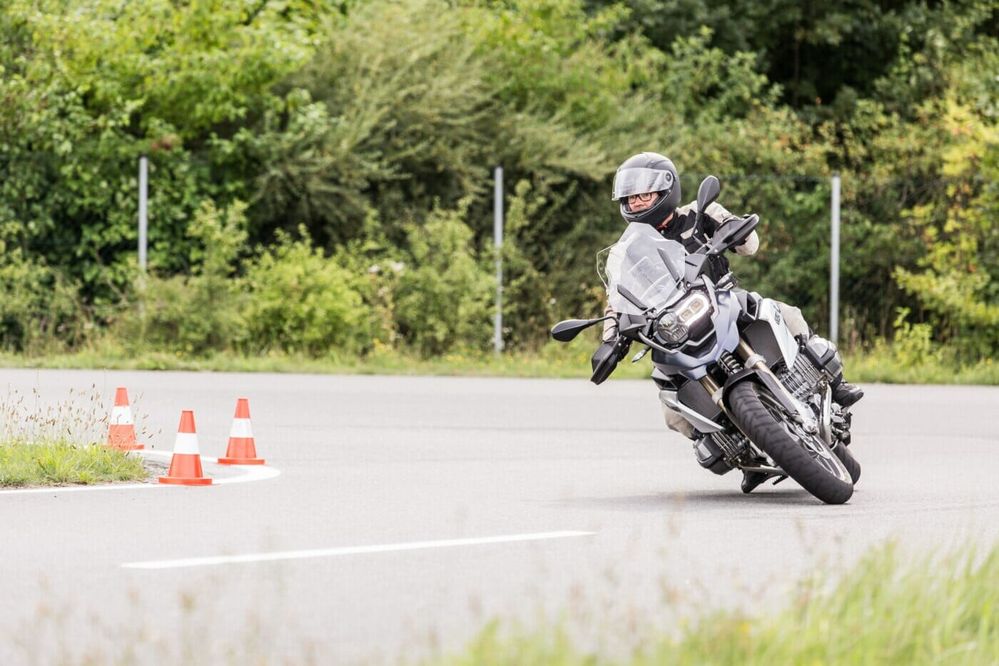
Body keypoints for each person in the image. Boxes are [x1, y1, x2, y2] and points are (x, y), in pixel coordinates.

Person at [601, 152, 863, 492]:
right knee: (672, 408)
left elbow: (750, 246)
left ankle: (833, 381)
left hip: (722, 301)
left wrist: (733, 230)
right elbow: (616, 301)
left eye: (643, 195)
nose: (636, 202)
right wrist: (610, 338)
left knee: (783, 312)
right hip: (677, 327)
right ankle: (741, 450)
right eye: (631, 197)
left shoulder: (698, 213)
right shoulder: (627, 252)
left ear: (667, 190)